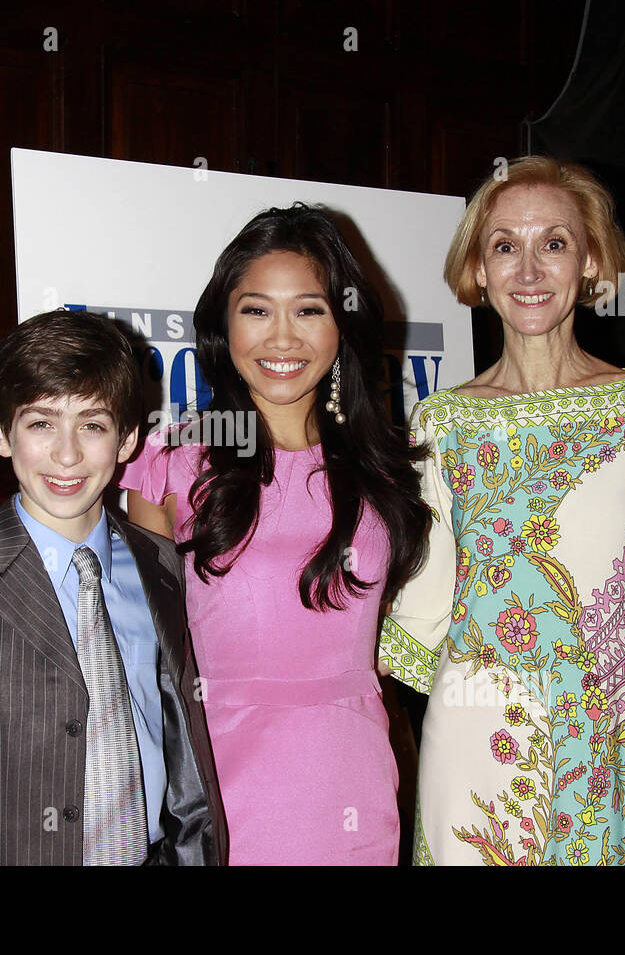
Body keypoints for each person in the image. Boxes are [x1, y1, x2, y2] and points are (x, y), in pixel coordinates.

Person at [380, 156, 625, 865]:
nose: (529, 269)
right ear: (478, 269)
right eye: (505, 245)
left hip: (618, 758)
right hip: (477, 767)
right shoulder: (440, 424)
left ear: (592, 260)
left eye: (555, 243)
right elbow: (414, 625)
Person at [122, 204, 429, 865]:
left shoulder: (384, 468)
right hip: (218, 796)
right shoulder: (173, 459)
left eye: (309, 311)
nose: (282, 339)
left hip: (355, 787)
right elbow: (139, 656)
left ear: (342, 324)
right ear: (222, 324)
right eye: (257, 310)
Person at [0, 310, 226, 866]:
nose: (68, 454)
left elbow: (180, 740)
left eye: (93, 425)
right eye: (41, 424)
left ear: (128, 439)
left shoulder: (161, 569)